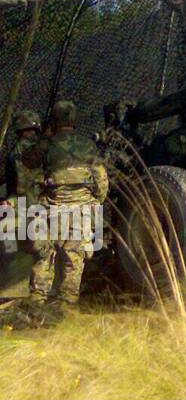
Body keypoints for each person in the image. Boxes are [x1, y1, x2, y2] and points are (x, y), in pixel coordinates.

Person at [23, 101, 108, 315]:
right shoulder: (88, 145)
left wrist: (45, 137)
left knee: (45, 254)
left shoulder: (48, 144)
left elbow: (28, 160)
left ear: (55, 120)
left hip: (52, 207)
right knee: (74, 256)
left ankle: (37, 300)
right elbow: (101, 178)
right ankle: (66, 306)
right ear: (74, 120)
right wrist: (95, 201)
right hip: (80, 209)